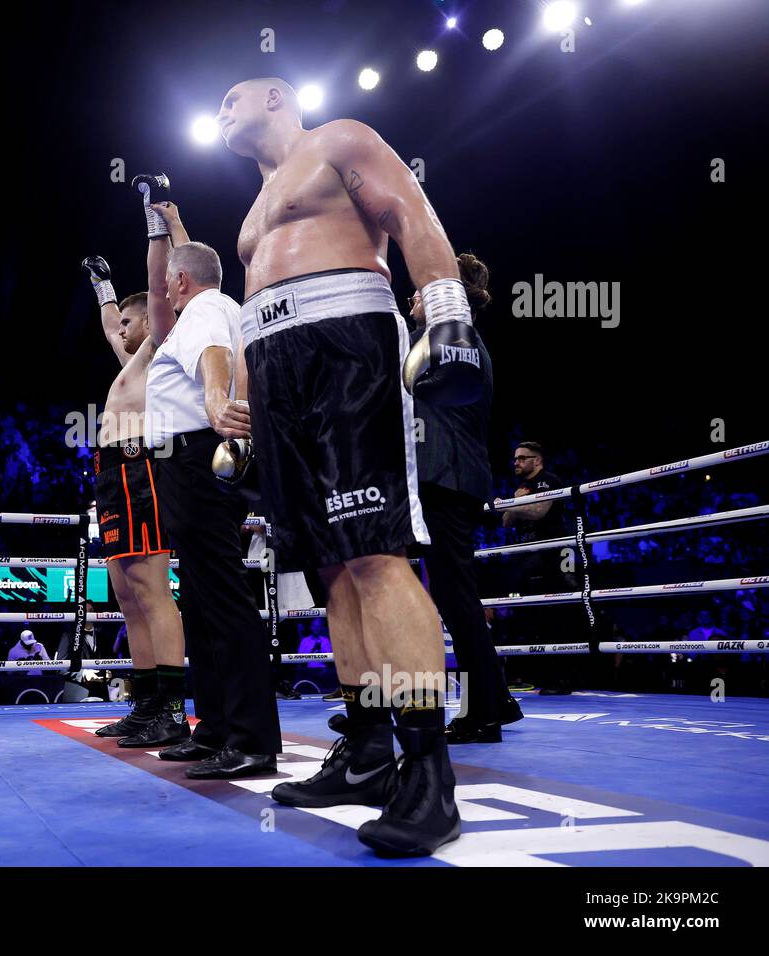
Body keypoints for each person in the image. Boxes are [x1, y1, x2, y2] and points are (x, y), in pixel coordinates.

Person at [219, 76, 471, 854]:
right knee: (326, 567)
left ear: (276, 96)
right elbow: (260, 299)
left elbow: (412, 215)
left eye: (233, 97)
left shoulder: (339, 140)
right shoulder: (252, 211)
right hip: (275, 368)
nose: (222, 111)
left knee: (372, 555)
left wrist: (449, 314)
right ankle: (366, 750)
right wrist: (242, 399)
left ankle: (428, 769)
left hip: (347, 343)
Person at [141, 194, 282, 779]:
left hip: (197, 458)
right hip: (190, 463)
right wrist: (172, 224)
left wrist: (219, 402)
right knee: (200, 599)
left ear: (178, 281)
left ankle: (251, 737)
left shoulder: (203, 311)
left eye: (169, 280)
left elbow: (215, 359)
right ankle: (218, 728)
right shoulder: (211, 303)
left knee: (220, 596)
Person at [407, 255, 524, 743]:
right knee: (455, 598)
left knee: (457, 599)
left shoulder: (451, 337)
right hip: (448, 477)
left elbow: (418, 400)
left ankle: (484, 713)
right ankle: (496, 700)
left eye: (419, 289)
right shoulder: (454, 337)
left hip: (445, 477)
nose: (412, 296)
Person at [81, 241, 188, 748]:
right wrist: (102, 285)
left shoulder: (160, 347)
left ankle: (171, 710)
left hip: (138, 470)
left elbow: (158, 296)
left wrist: (155, 224)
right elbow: (106, 327)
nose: (119, 330)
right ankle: (145, 707)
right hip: (109, 474)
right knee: (126, 595)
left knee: (152, 590)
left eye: (129, 321)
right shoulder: (130, 360)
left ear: (149, 321)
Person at [500, 440, 577, 695]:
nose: (517, 462)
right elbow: (506, 522)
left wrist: (513, 503)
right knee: (532, 618)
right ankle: (543, 677)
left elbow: (538, 512)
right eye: (515, 458)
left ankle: (562, 680)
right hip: (527, 555)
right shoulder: (521, 487)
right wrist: (515, 503)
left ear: (537, 460)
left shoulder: (548, 480)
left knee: (554, 616)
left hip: (550, 555)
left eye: (522, 458)